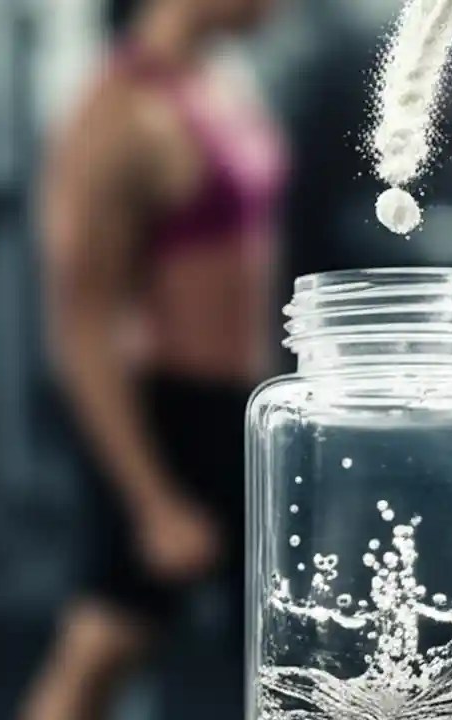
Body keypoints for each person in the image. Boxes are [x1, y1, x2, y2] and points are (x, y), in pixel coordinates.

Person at [21, 0, 287, 716]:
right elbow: (80, 325)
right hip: (165, 416)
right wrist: (152, 500)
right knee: (102, 647)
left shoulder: (221, 83)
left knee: (291, 649)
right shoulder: (115, 116)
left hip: (240, 412)